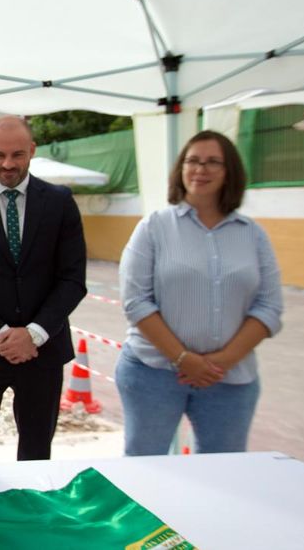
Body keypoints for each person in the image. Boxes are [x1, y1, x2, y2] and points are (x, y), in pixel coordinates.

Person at [117, 130, 282, 455]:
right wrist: (184, 359)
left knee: (223, 473)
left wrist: (220, 362)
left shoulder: (253, 235)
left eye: (212, 162)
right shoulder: (154, 227)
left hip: (229, 379)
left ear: (229, 171)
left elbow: (269, 306)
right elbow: (136, 302)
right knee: (144, 468)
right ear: (180, 169)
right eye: (192, 161)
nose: (200, 169)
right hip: (153, 373)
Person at [0, 115, 87, 461]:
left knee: (37, 455)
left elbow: (72, 279)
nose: (8, 164)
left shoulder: (60, 202)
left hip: (44, 351)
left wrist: (34, 334)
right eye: (0, 155)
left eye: (17, 155)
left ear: (32, 150)